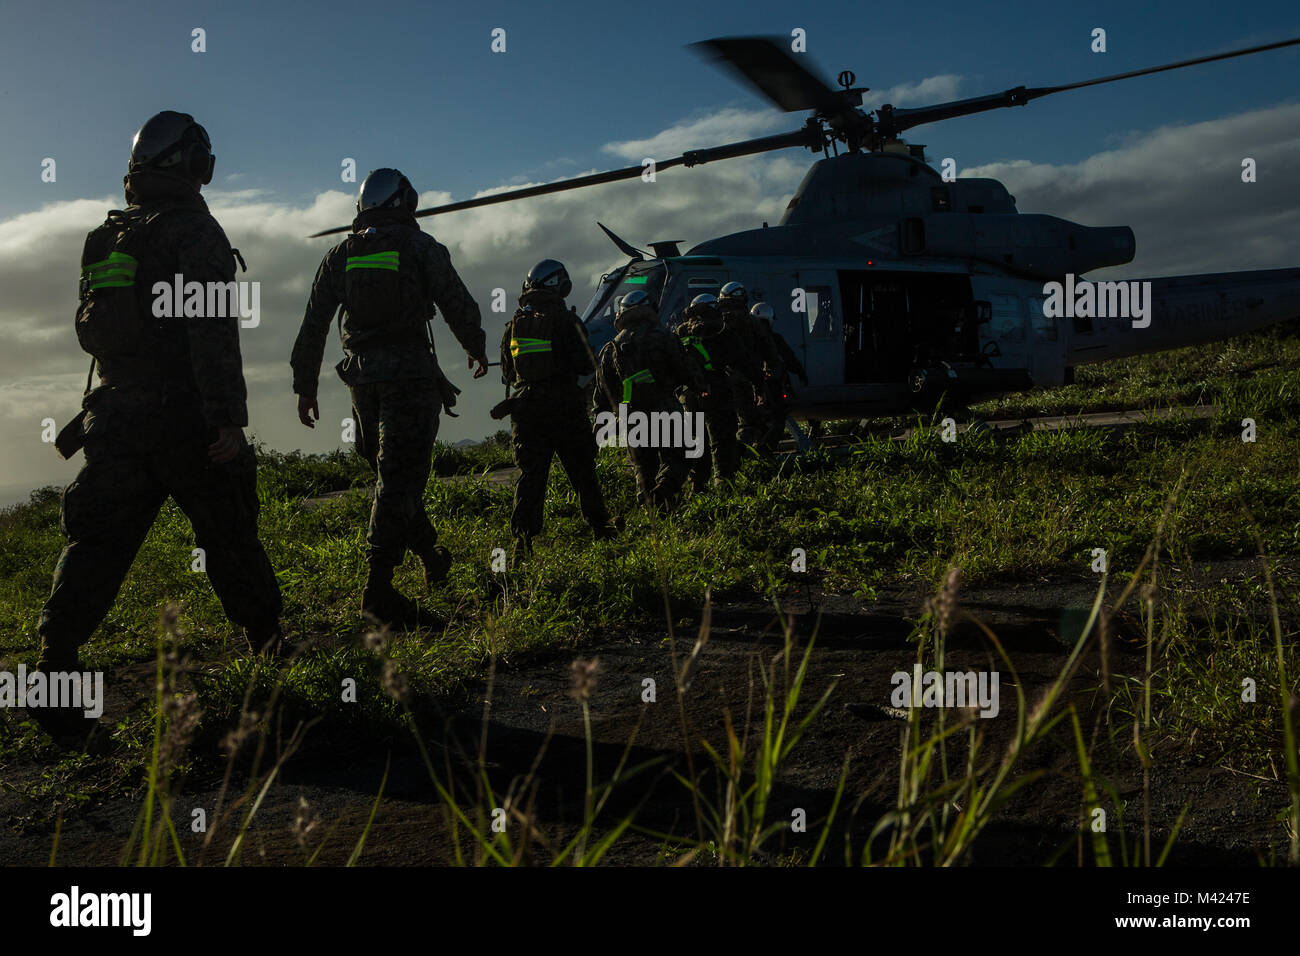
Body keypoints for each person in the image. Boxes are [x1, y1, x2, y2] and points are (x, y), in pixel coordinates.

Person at [35, 111, 282, 746]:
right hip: (186, 420)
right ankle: (272, 658)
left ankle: (54, 676)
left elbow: (91, 333)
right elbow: (213, 334)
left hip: (115, 418)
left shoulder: (107, 238)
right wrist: (227, 420)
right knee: (231, 537)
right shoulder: (194, 232)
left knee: (94, 546)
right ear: (187, 166)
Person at [291, 168, 489, 628]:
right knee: (399, 479)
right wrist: (476, 346)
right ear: (407, 203)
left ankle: (432, 556)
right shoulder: (421, 247)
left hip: (362, 382)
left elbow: (314, 323)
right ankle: (378, 593)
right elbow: (458, 302)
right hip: (410, 379)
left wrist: (305, 385)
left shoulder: (340, 254)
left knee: (390, 474)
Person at [498, 259, 614, 552]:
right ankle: (602, 530)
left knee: (531, 477)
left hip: (525, 410)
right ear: (560, 286)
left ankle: (521, 543)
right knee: (582, 471)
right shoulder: (567, 321)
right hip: (565, 408)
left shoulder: (513, 326)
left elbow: (508, 373)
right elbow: (587, 364)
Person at [592, 289, 703, 509]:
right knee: (679, 458)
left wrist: (601, 420)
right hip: (665, 409)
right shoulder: (664, 337)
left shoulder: (610, 348)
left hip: (630, 416)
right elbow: (685, 370)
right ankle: (663, 491)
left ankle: (650, 515)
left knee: (643, 468)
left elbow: (602, 390)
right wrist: (699, 387)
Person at [674, 293, 745, 487]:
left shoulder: (680, 331)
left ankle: (696, 485)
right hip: (716, 389)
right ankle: (723, 484)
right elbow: (738, 356)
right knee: (721, 439)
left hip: (688, 393)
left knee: (697, 441)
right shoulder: (719, 328)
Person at [717, 281, 774, 447]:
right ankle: (745, 459)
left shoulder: (715, 321)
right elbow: (767, 348)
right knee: (748, 422)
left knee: (722, 424)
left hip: (717, 381)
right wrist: (768, 369)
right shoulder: (751, 322)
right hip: (745, 379)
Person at [750, 301, 809, 451]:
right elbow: (789, 358)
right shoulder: (774, 338)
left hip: (750, 387)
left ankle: (755, 450)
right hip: (771, 387)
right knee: (778, 418)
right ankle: (765, 452)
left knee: (756, 420)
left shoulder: (746, 339)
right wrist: (800, 372)